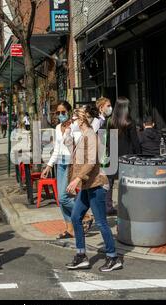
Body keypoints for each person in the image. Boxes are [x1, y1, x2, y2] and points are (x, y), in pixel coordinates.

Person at [65, 108, 123, 272]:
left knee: (101, 222)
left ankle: (113, 257)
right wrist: (68, 132)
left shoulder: (90, 135)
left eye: (74, 117)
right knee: (76, 217)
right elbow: (70, 150)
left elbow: (91, 162)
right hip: (87, 185)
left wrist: (77, 178)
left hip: (97, 184)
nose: (72, 120)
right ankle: (81, 256)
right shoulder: (83, 135)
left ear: (82, 119)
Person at [41, 101, 75, 239]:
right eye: (58, 113)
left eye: (63, 112)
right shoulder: (57, 127)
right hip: (59, 164)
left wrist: (69, 131)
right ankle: (70, 229)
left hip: (71, 163)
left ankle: (84, 214)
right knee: (60, 199)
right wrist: (49, 165)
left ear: (69, 111)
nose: (60, 115)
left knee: (63, 196)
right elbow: (56, 149)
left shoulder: (75, 126)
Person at [105, 97, 141, 215]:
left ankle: (108, 206)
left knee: (109, 183)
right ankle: (127, 206)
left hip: (112, 153)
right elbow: (135, 141)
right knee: (126, 183)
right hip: (127, 156)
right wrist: (139, 155)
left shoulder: (110, 121)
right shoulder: (129, 122)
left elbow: (107, 140)